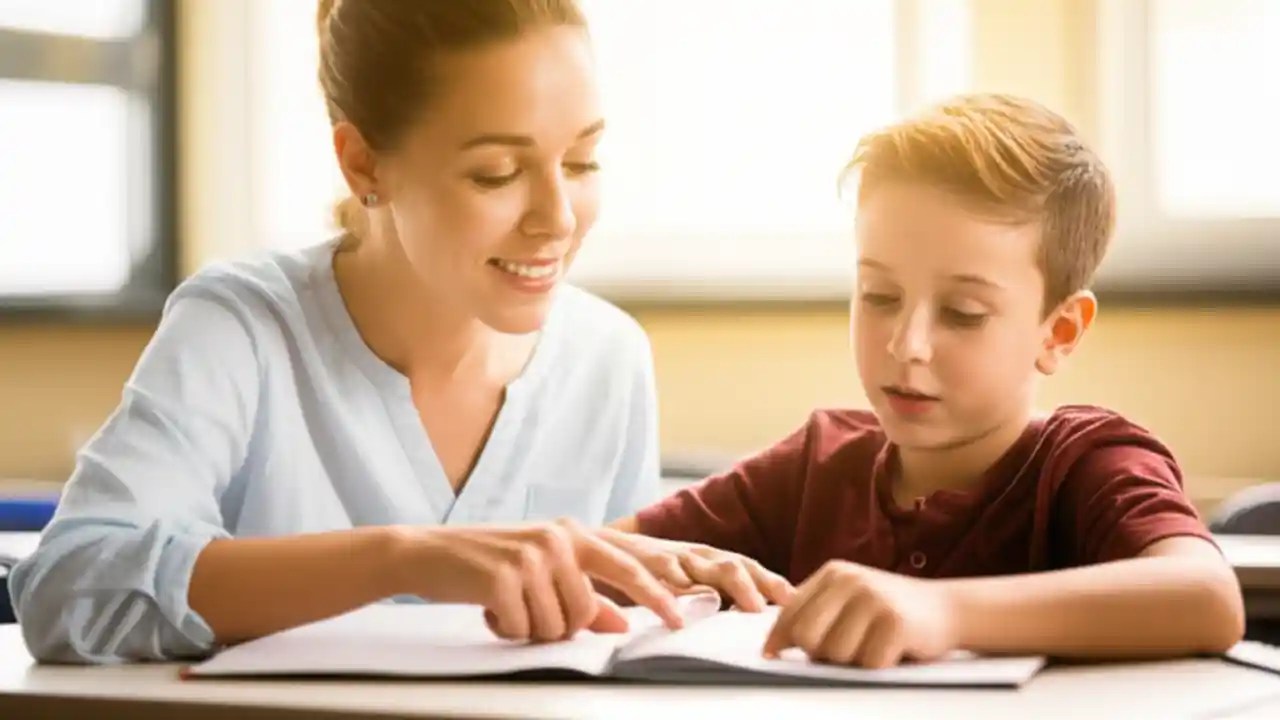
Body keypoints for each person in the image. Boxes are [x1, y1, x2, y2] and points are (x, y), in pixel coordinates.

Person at [11, 0, 684, 664]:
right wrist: (402, 559)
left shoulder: (608, 359)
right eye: (496, 173)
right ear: (364, 164)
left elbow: (619, 648)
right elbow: (67, 588)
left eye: (581, 162)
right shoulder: (243, 329)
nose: (558, 219)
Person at [601, 94, 1245, 668]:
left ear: (1059, 332)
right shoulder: (814, 466)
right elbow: (602, 556)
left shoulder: (1087, 464)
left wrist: (942, 611)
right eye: (879, 295)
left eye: (963, 314)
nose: (905, 346)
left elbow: (1208, 600)